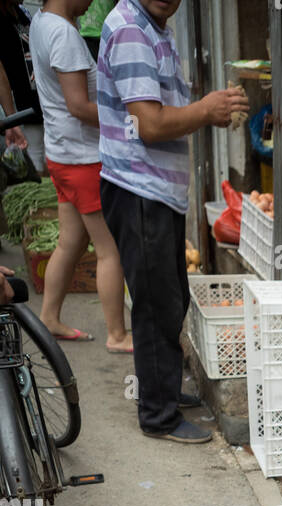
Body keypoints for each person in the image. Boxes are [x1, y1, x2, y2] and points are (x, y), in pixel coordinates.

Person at [96, 0, 248, 444]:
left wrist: (208, 111)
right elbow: (149, 124)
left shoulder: (156, 28)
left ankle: (162, 390)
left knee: (171, 295)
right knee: (156, 305)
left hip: (156, 191)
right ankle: (157, 416)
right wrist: (206, 110)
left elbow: (164, 110)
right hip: (138, 189)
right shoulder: (130, 30)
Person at [30, 0, 132, 350]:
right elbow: (78, 106)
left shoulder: (41, 22)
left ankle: (49, 317)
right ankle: (117, 335)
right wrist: (131, 121)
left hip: (62, 155)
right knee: (110, 250)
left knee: (70, 242)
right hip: (83, 159)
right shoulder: (64, 34)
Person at [0, 2, 44, 171]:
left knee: (43, 157)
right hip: (17, 106)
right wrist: (12, 119)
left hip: (37, 97)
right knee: (32, 159)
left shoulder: (22, 12)